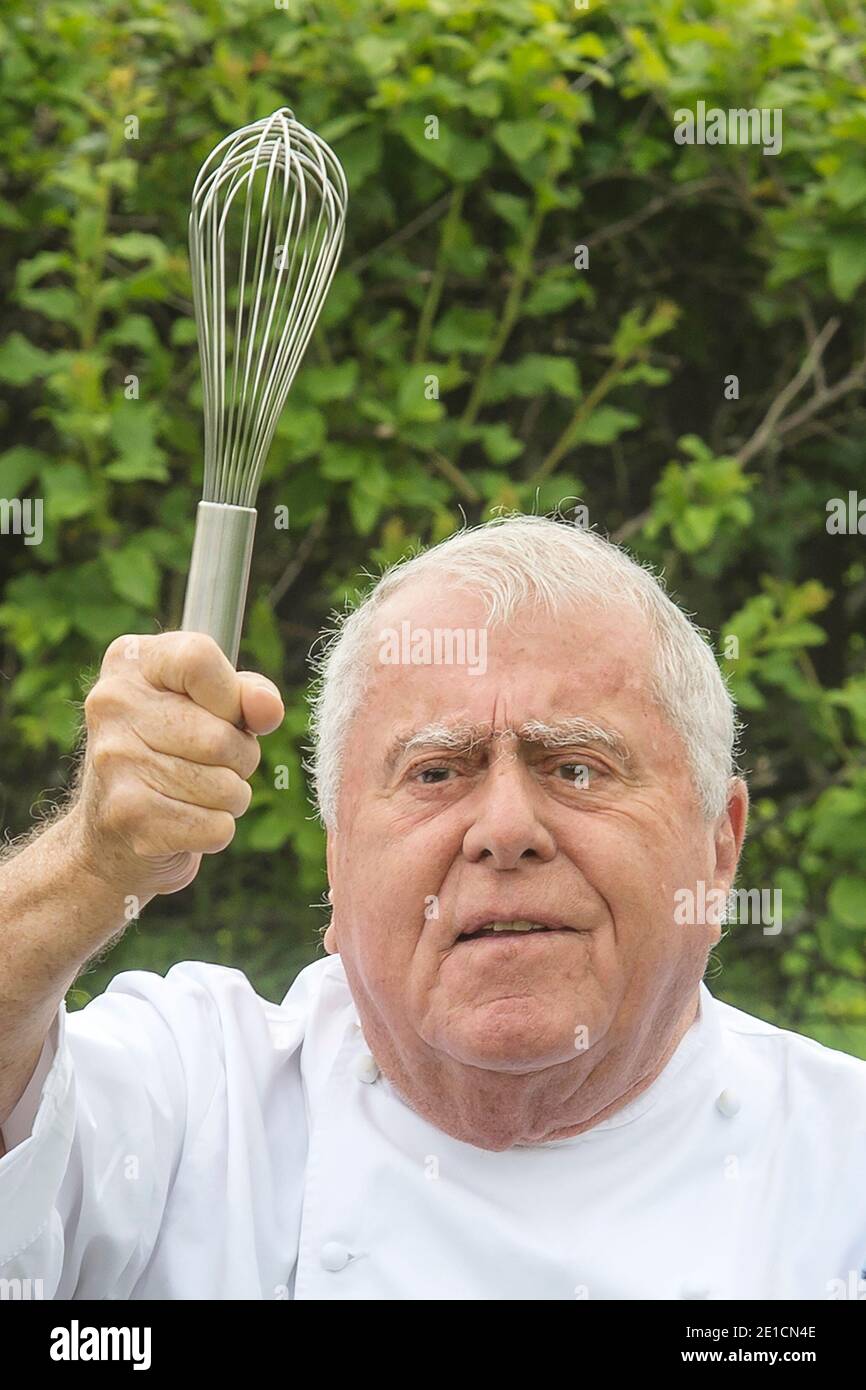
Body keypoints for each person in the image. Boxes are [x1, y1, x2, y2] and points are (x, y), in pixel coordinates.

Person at [1, 515, 864, 1300]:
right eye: (436, 772)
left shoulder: (841, 1172)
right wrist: (88, 865)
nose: (505, 830)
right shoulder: (198, 1105)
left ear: (719, 851)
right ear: (338, 867)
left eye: (576, 768)